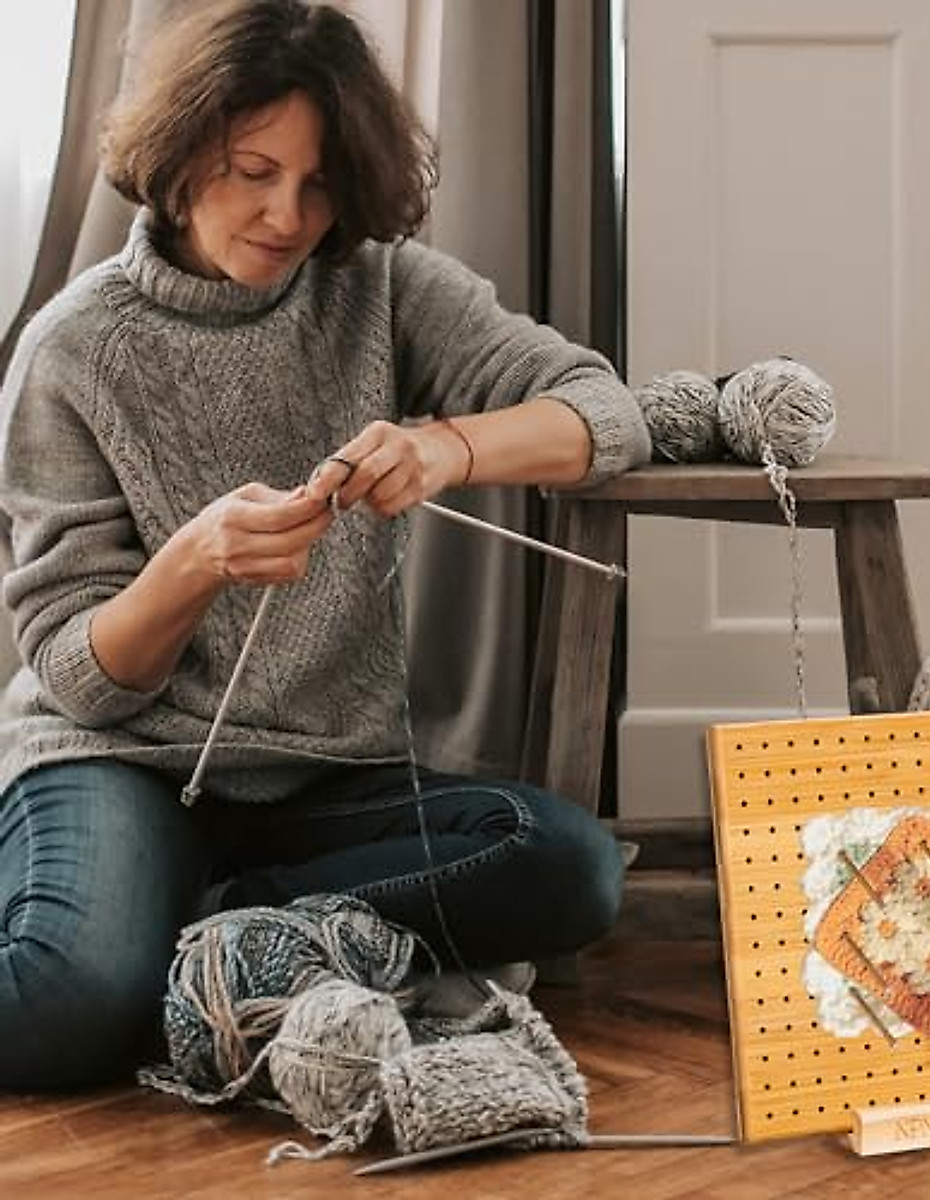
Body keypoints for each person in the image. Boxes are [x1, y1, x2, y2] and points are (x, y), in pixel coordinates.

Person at [0, 0, 650, 1089]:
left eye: (318, 182)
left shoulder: (381, 288)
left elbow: (605, 412)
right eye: (252, 171)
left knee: (571, 870)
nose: (285, 214)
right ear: (179, 154)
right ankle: (219, 944)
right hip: (121, 762)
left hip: (326, 785)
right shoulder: (72, 351)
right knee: (57, 1010)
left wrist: (447, 448)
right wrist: (195, 562)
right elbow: (79, 676)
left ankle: (220, 931)